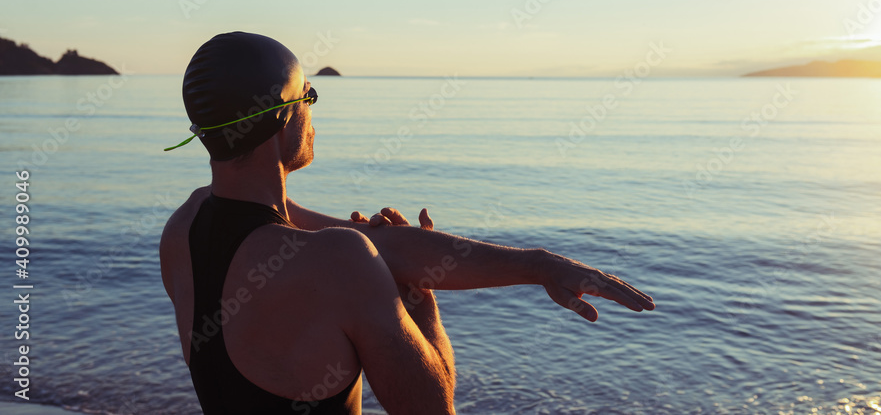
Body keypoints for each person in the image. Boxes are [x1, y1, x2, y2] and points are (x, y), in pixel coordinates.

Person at [158, 32, 655, 414]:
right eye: (309, 96)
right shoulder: (340, 262)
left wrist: (541, 265)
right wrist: (421, 301)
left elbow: (381, 248)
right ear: (285, 117)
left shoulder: (184, 228)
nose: (314, 113)